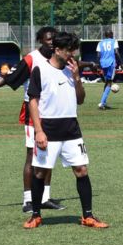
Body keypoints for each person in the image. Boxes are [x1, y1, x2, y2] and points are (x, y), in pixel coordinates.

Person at [0, 26, 65, 212]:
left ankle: (44, 197)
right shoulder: (32, 59)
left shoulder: (58, 58)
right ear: (40, 40)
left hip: (52, 112)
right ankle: (27, 200)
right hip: (33, 112)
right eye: (48, 39)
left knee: (49, 154)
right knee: (32, 155)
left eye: (54, 38)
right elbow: (9, 78)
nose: (52, 41)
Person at [24, 31, 108, 229]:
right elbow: (33, 101)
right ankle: (35, 215)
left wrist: (77, 78)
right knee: (40, 173)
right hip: (48, 129)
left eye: (74, 51)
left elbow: (80, 99)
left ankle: (88, 216)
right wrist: (38, 131)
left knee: (81, 170)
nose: (73, 54)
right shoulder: (40, 70)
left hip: (71, 129)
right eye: (69, 51)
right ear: (57, 50)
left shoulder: (72, 70)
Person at [97, 30, 123, 109]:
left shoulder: (100, 43)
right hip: (111, 63)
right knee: (109, 82)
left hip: (103, 63)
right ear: (111, 34)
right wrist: (121, 63)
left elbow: (98, 55)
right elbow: (116, 52)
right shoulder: (114, 41)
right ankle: (102, 103)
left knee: (107, 82)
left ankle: (103, 102)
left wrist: (99, 65)